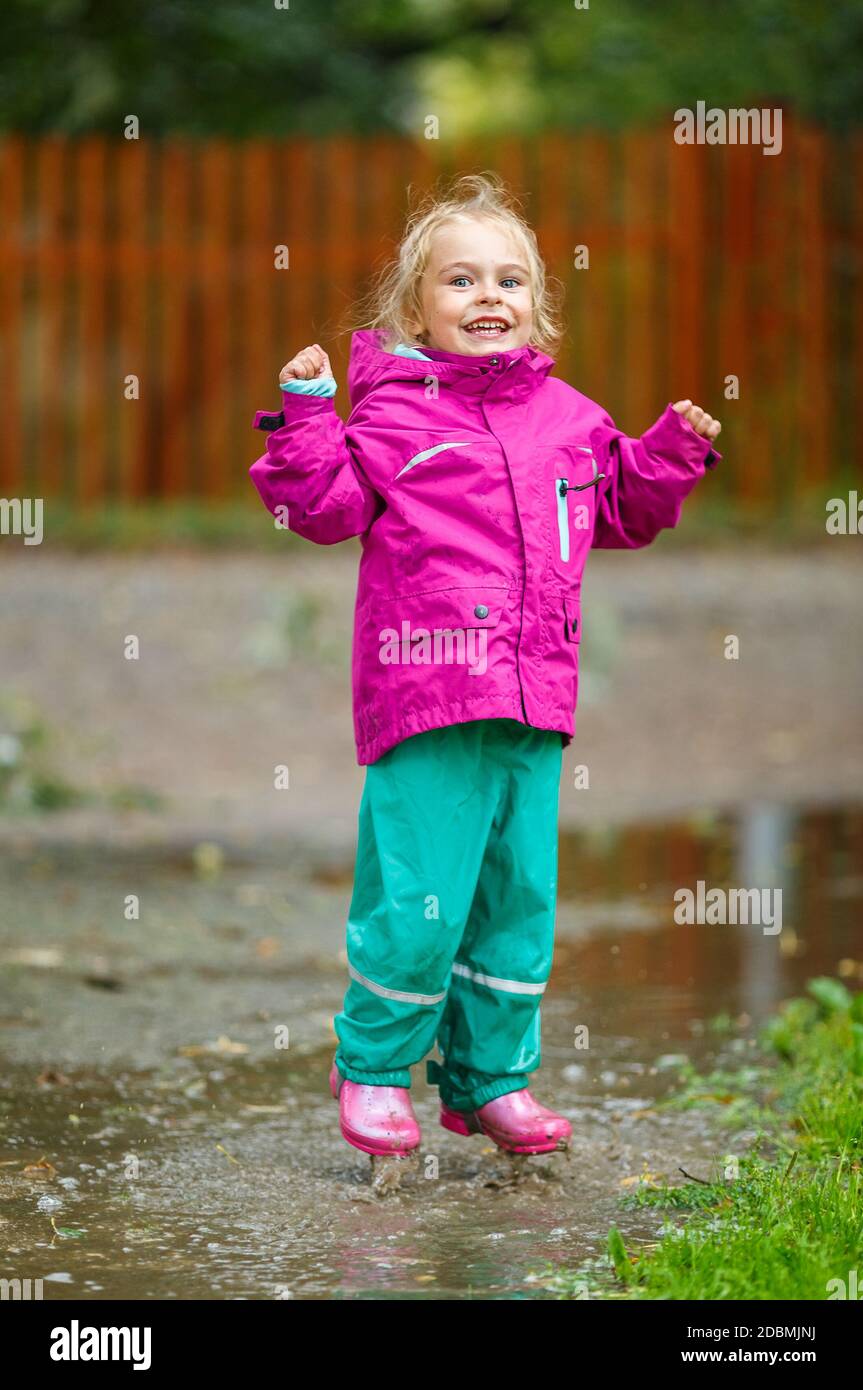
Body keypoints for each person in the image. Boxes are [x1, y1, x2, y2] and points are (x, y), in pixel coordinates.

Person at [248, 172, 722, 1162]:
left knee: (517, 903)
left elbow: (620, 511)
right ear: (413, 305)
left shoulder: (568, 419)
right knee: (419, 900)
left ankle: (489, 1081)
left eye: (507, 280)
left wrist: (668, 452)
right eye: (459, 280)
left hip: (532, 701)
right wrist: (304, 415)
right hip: (423, 698)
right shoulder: (390, 419)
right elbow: (322, 508)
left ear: (535, 303)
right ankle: (374, 1068)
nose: (487, 297)